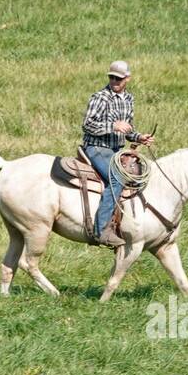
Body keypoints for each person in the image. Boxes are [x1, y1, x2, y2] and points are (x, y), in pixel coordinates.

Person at [81, 61, 154, 247]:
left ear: (127, 79)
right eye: (111, 77)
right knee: (118, 179)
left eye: (118, 78)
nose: (114, 81)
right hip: (97, 147)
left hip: (116, 150)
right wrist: (112, 126)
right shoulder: (100, 97)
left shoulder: (129, 99)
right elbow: (87, 124)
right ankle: (101, 230)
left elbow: (127, 129)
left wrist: (139, 136)